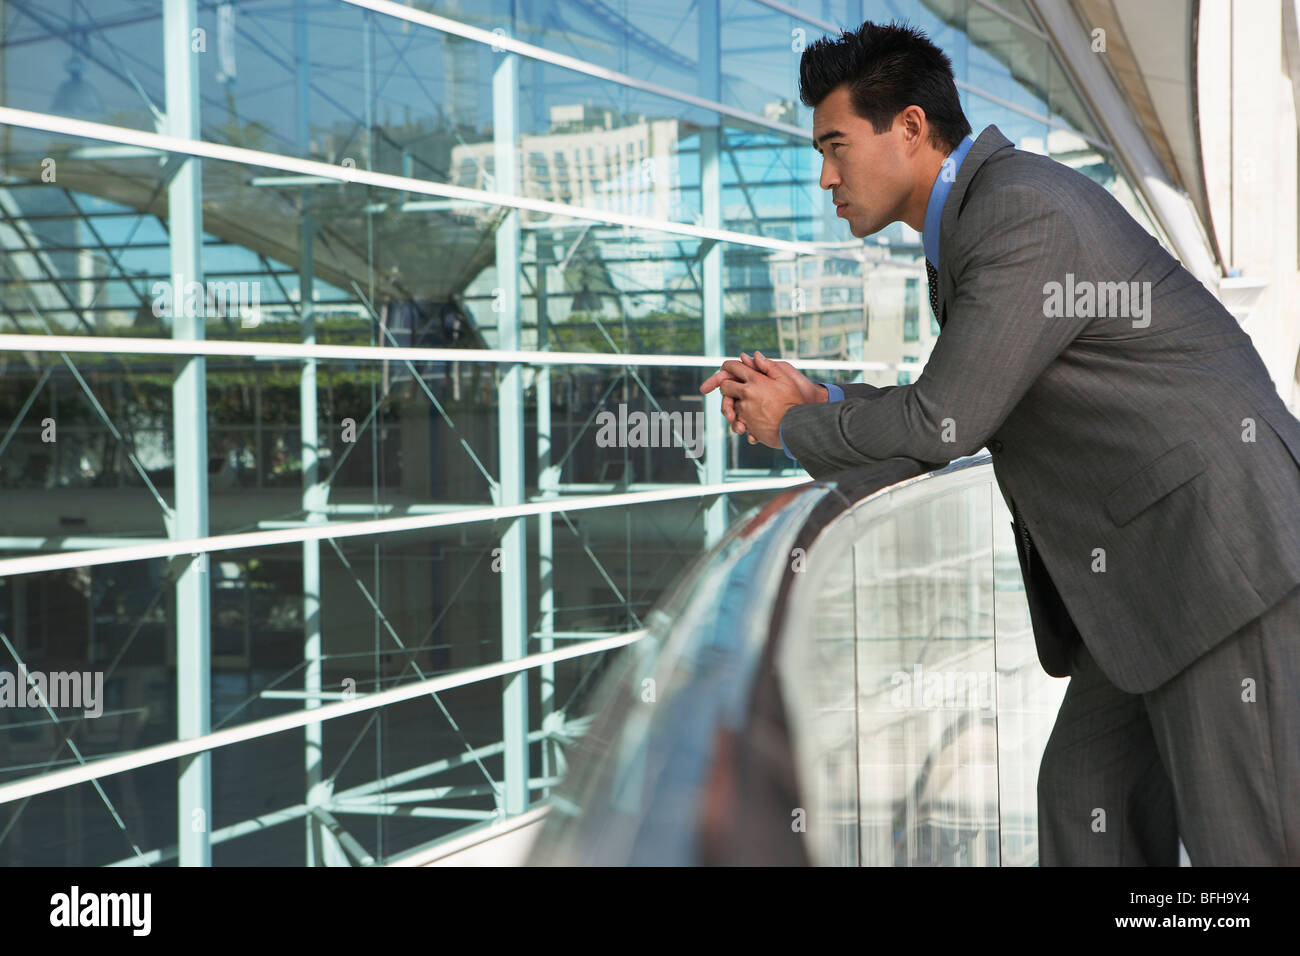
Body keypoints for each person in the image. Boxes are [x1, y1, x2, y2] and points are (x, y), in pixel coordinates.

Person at [701, 20, 1300, 866]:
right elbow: (962, 395)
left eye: (835, 146)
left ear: (911, 127)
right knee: (1084, 798)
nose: (825, 177)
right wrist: (823, 395)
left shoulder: (1021, 214)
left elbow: (944, 422)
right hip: (1147, 585)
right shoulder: (981, 219)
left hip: (1222, 566)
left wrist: (794, 423)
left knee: (1248, 847)